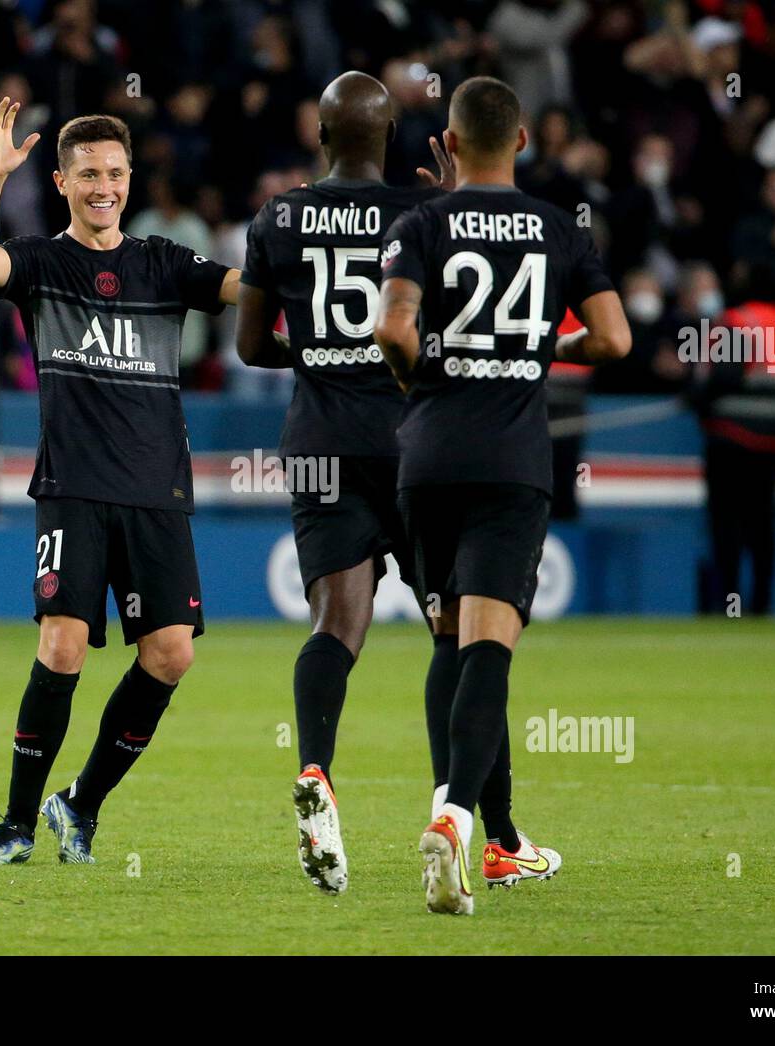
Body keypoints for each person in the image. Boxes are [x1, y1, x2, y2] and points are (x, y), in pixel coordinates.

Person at [236, 69, 519, 896]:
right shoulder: (422, 216)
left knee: (335, 623)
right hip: (416, 444)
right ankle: (467, 822)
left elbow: (252, 347)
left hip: (320, 441)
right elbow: (460, 322)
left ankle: (317, 770)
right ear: (392, 135)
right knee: (455, 632)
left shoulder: (277, 217)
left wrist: (321, 352)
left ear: (321, 137)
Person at [0, 99, 239, 865]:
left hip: (156, 493)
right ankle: (16, 824)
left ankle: (78, 804)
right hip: (74, 487)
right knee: (63, 645)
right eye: (88, 174)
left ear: (128, 178)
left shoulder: (164, 263)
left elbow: (244, 289)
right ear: (61, 181)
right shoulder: (44, 265)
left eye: (114, 172)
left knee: (172, 654)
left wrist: (301, 254)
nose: (103, 185)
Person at [375, 76, 631, 914]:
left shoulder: (421, 224)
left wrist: (428, 375)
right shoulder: (560, 232)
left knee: (448, 640)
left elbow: (391, 329)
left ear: (448, 145)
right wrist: (528, 350)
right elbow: (615, 338)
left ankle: (495, 838)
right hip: (512, 464)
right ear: (522, 142)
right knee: (490, 646)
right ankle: (457, 820)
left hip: (427, 462)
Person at [692, 265, 775, 616]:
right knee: (763, 524)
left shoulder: (737, 320)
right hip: (774, 441)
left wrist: (694, 398)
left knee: (727, 523)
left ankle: (730, 603)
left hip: (733, 436)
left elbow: (724, 376)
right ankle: (762, 603)